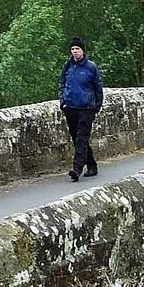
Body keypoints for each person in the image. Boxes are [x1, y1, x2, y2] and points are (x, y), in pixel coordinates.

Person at [59, 37, 103, 181]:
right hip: (70, 107)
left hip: (86, 108)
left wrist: (96, 106)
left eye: (77, 49)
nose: (75, 52)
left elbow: (98, 88)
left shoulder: (91, 67)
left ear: (83, 51)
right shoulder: (68, 66)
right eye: (72, 49)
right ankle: (92, 165)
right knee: (77, 139)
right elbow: (62, 84)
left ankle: (77, 169)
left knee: (81, 138)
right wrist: (62, 102)